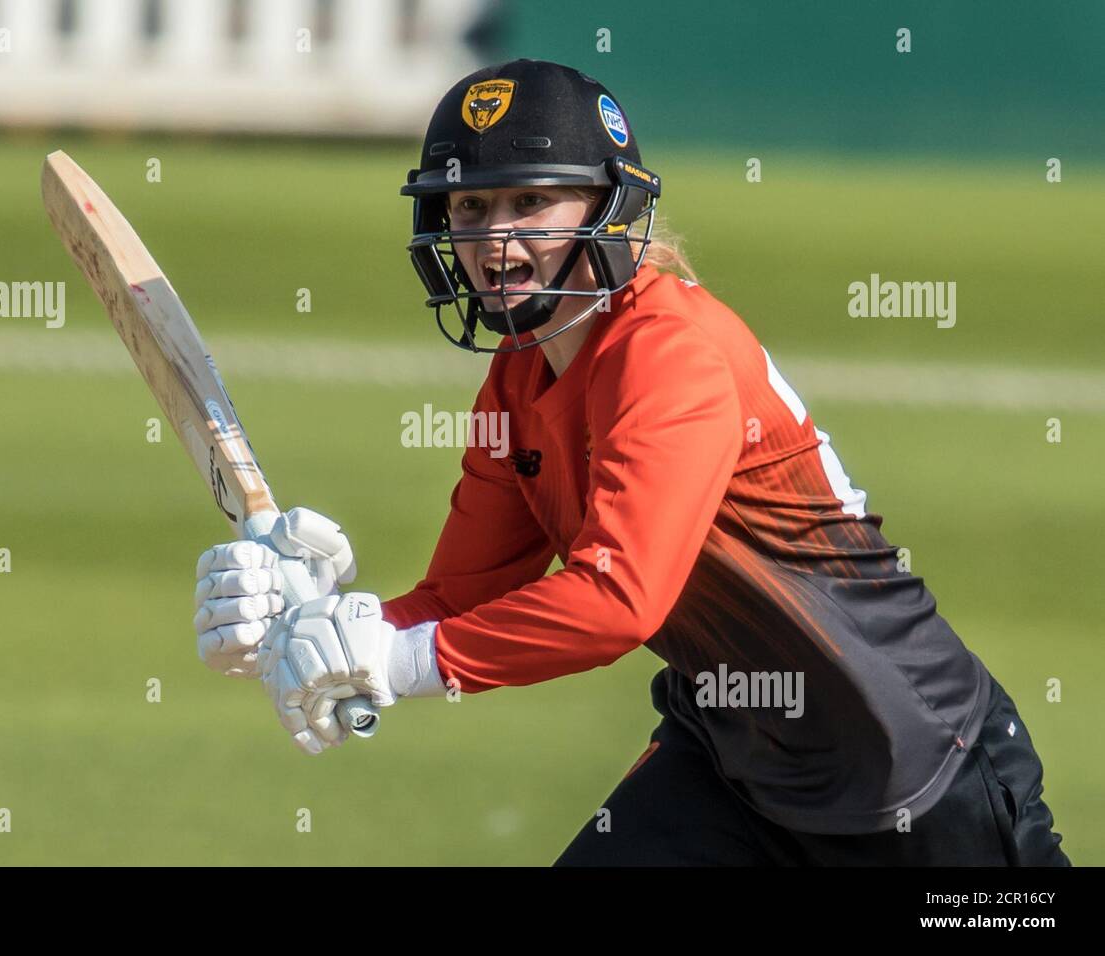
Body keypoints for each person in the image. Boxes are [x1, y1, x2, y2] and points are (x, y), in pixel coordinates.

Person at [191, 59, 1070, 866]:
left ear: (605, 208)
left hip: (911, 771)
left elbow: (617, 599)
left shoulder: (668, 349)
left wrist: (393, 659)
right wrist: (319, 629)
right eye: (470, 208)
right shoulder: (518, 374)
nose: (496, 240)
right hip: (733, 762)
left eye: (532, 202)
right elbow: (463, 601)